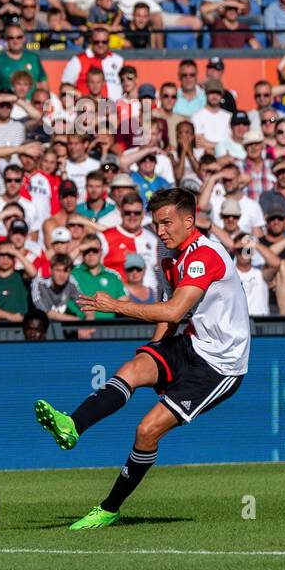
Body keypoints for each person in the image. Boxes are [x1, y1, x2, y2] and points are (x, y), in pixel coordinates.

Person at [35, 187, 251, 529]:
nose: (160, 231)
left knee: (146, 431)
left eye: (166, 223)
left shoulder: (204, 255)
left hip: (220, 365)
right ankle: (73, 426)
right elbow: (169, 317)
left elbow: (175, 308)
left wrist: (116, 305)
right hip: (192, 343)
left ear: (189, 220)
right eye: (156, 224)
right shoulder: (169, 254)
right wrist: (153, 354)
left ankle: (109, 507)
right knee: (133, 368)